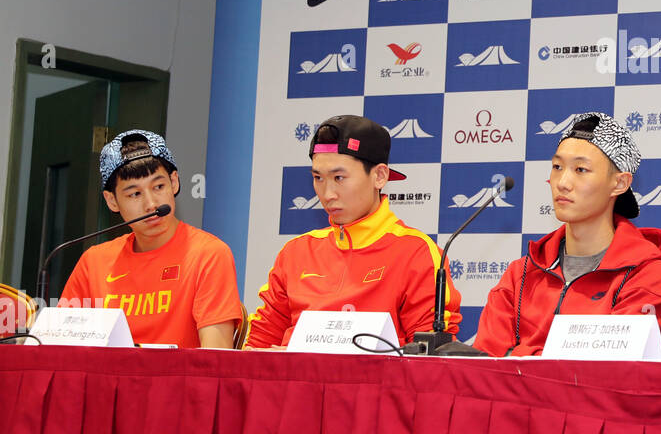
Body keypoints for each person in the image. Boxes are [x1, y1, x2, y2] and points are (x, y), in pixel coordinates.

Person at [475, 112, 661, 356]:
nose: (563, 182)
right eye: (557, 167)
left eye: (581, 169)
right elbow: (484, 367)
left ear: (620, 184)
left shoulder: (646, 273)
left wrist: (522, 357)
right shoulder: (520, 274)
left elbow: (611, 372)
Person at [245, 115, 459, 348]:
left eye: (339, 178)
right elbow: (258, 344)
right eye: (318, 178)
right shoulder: (295, 252)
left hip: (379, 385)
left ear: (379, 176)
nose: (327, 194)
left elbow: (429, 358)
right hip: (295, 385)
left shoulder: (416, 252)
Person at [59, 130, 242, 348]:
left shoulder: (209, 254)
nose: (151, 204)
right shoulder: (94, 262)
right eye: (134, 194)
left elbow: (216, 357)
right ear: (112, 201)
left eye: (159, 187)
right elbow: (62, 348)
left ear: (174, 182)